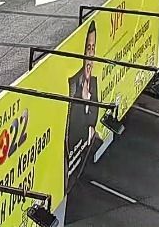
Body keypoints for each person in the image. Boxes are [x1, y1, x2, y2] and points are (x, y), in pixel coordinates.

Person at [64, 21, 100, 193]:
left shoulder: (94, 84)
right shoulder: (72, 86)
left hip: (84, 156)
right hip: (70, 168)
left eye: (93, 49)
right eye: (88, 49)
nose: (90, 57)